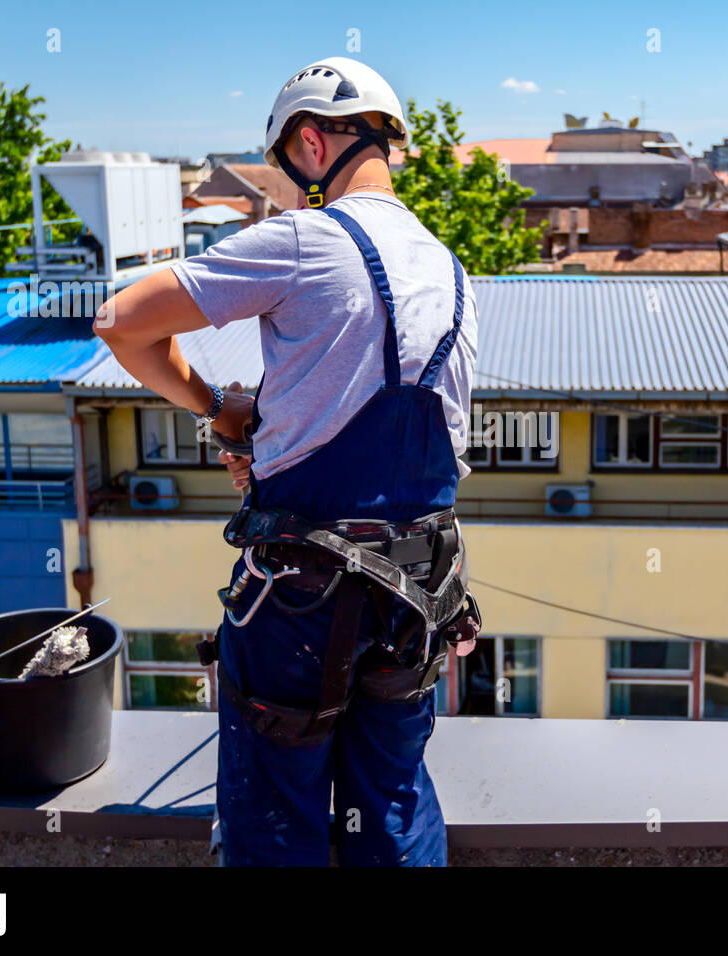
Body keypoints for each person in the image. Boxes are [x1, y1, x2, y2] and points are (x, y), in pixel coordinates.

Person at [95, 56, 479, 866]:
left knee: (275, 823)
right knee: (394, 812)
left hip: (301, 607)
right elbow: (391, 428)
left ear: (308, 141)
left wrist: (216, 410)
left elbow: (121, 322)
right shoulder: (449, 270)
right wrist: (270, 438)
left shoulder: (304, 239)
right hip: (417, 597)